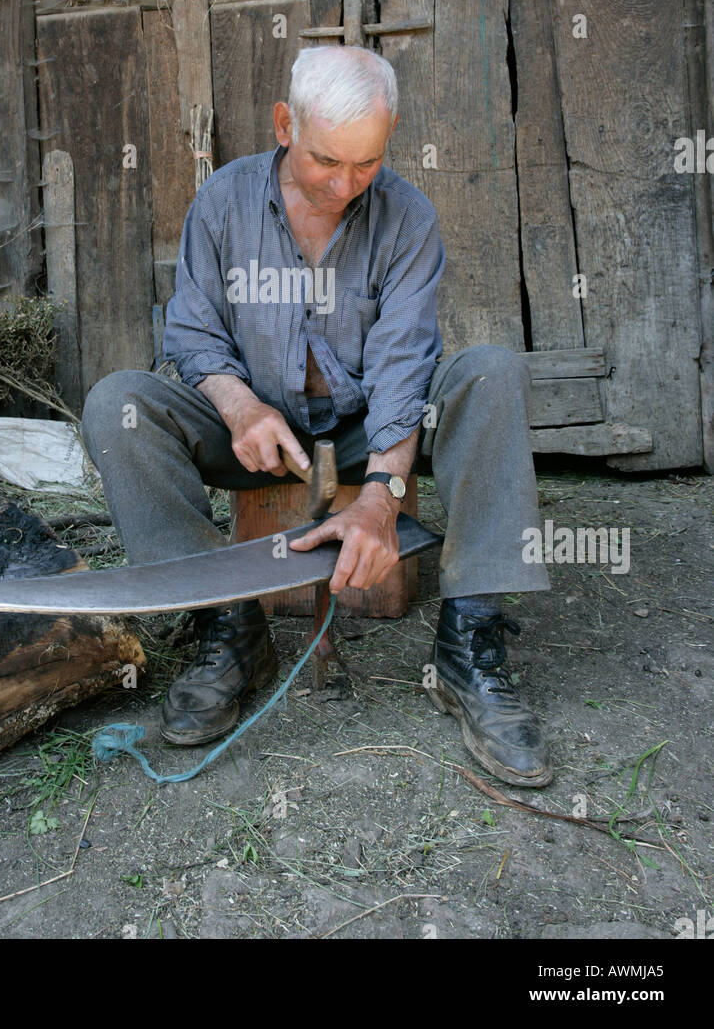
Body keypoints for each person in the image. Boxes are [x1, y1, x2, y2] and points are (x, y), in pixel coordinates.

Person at [80, 44, 553, 788]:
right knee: (119, 404)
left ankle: (469, 645)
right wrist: (238, 406)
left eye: (365, 164)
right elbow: (195, 332)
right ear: (282, 125)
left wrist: (383, 496)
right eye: (326, 160)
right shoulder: (223, 203)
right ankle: (229, 628)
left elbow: (403, 366)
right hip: (255, 434)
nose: (344, 184)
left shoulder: (406, 218)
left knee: (490, 373)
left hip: (370, 430)